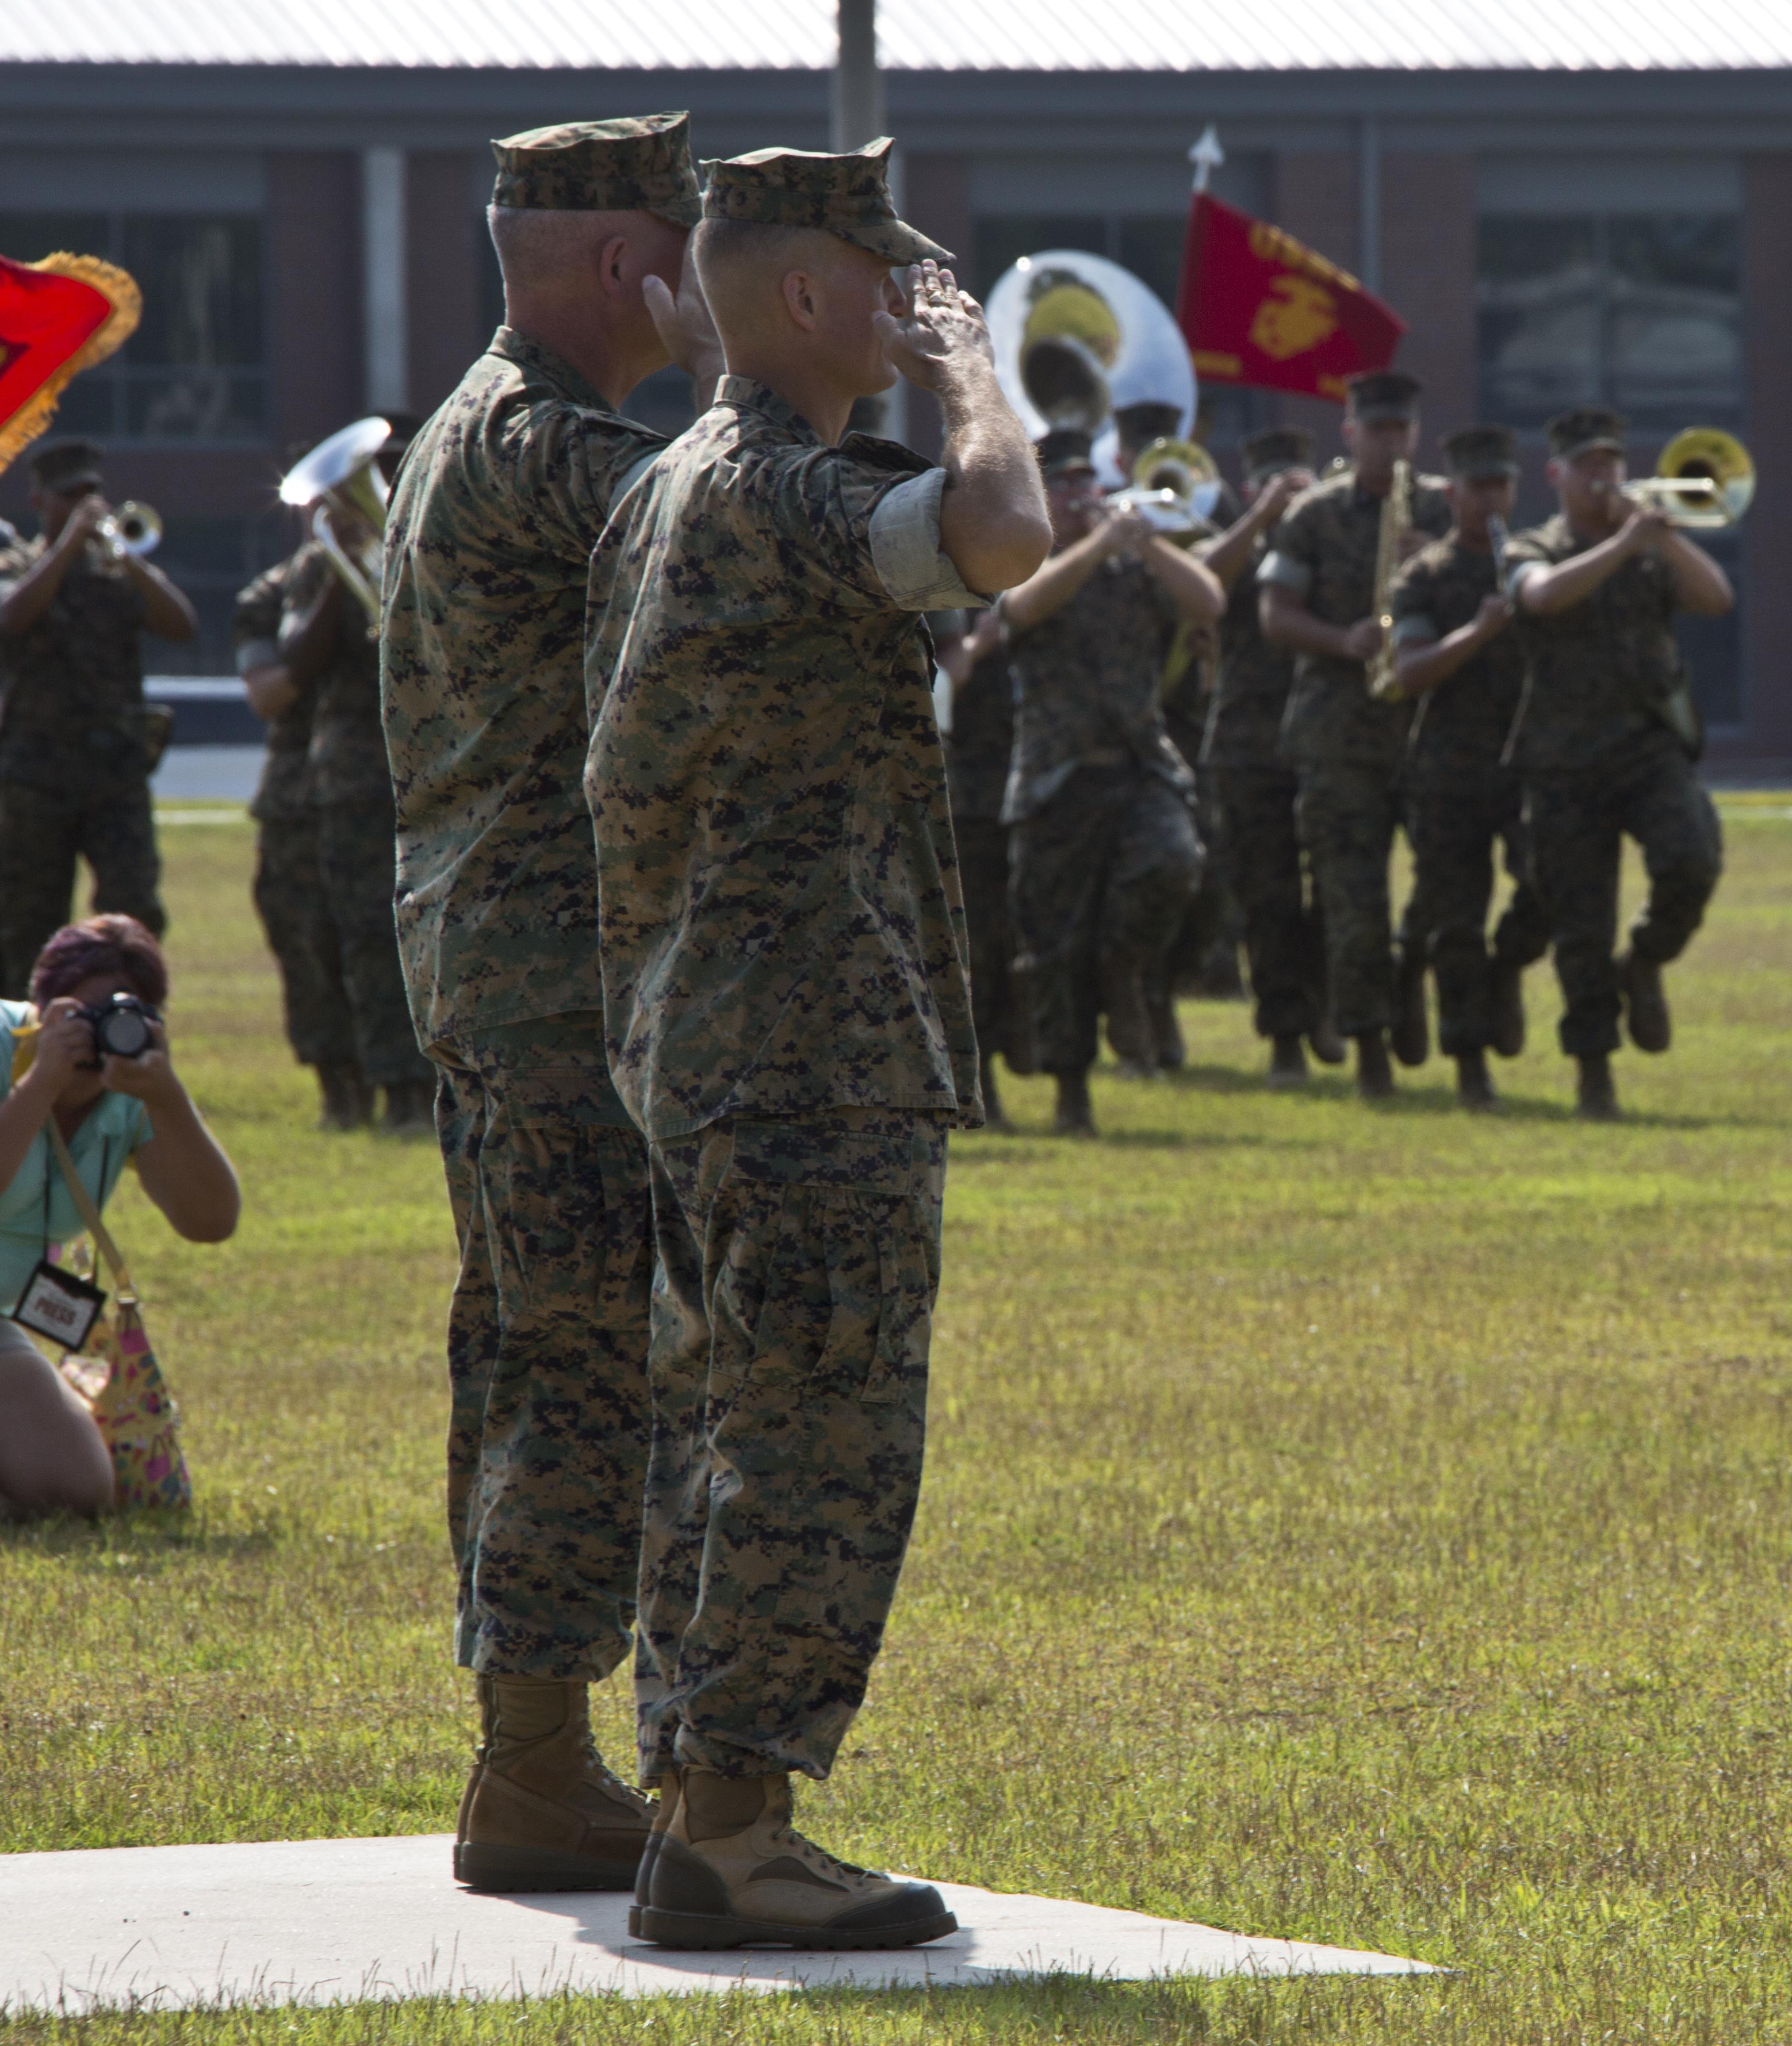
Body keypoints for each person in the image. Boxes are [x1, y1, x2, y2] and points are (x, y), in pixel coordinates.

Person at [584, 139, 1047, 1949]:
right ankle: (734, 1826)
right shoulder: (779, 484)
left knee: (722, 1418)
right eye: (894, 277)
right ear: (804, 293)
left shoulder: (670, 480)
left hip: (711, 1029)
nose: (922, 302)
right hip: (807, 1044)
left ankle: (701, 1803)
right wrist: (975, 378)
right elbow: (1003, 534)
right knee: (815, 1430)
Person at [379, 110, 719, 1898]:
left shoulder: (477, 423)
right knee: (577, 1353)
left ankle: (531, 1751)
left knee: (536, 1338)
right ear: (624, 262)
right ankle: (531, 1762)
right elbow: (739, 545)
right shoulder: (550, 444)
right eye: (692, 247)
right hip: (551, 969)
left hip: (503, 958)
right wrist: (749, 374)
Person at [992, 427, 1223, 1133]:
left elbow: (1210, 602)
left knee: (1174, 862)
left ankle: (1126, 971)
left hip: (1140, 768)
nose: (1077, 495)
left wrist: (1148, 544)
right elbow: (1021, 610)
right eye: (1060, 485)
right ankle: (1073, 1096)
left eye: (1083, 482)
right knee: (1056, 945)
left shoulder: (1135, 570)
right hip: (1056, 780)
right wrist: (1095, 547)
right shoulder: (1025, 562)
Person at [1507, 406, 1734, 1118]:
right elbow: (1542, 597)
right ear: (1557, 475)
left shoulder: (1651, 549)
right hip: (1564, 762)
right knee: (1580, 925)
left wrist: (1662, 540)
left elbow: (1717, 599)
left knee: (1692, 858)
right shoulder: (1531, 548)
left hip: (1647, 749)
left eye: (1611, 463)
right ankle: (1594, 1073)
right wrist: (1622, 544)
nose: (1602, 477)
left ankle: (1644, 960)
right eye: (1587, 466)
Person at [0, 917, 240, 1520]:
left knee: (77, 1485)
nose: (101, 1033)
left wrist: (166, 1096)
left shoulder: (129, 1092)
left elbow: (210, 1220)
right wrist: (40, 1083)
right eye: (83, 1014)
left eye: (121, 1015)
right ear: (42, 1006)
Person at [1259, 371, 1453, 1100]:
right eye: (1378, 431)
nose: (1392, 444)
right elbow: (1276, 615)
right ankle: (1370, 1047)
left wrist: (1436, 562)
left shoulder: (1442, 509)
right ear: (1351, 434)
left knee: (1445, 887)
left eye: (1402, 431)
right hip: (1337, 732)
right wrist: (1343, 640)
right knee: (1351, 898)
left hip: (1429, 733)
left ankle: (1408, 975)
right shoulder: (1312, 514)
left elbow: (1491, 605)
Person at [242, 448, 434, 1133]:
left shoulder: (433, 555)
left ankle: (417, 1085)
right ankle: (377, 1085)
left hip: (424, 777)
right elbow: (290, 671)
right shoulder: (314, 574)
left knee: (406, 939)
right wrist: (340, 570)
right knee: (351, 938)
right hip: (349, 785)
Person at [1384, 424, 1552, 1110]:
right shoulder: (1423, 576)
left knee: (1552, 881)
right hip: (1449, 770)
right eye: (1478, 488)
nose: (1491, 501)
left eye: (1500, 486)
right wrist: (1478, 633)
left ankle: (1506, 967)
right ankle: (1470, 1062)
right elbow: (1410, 672)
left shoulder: (1537, 565)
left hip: (1529, 765)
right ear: (1452, 494)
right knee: (1456, 920)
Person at [0, 439, 190, 995]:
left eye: (91, 493)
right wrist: (66, 547)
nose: (85, 504)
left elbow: (182, 626)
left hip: (115, 776)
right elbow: (11, 617)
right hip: (34, 777)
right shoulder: (14, 566)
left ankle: (131, 1025)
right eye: (70, 495)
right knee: (25, 922)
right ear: (39, 500)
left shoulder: (116, 571)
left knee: (134, 913)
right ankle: (29, 1040)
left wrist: (132, 563)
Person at [1200, 428, 1332, 1083]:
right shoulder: (1236, 545)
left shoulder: (1329, 541)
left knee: (1336, 885)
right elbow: (1203, 584)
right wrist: (1259, 519)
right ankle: (1285, 1036)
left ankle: (1326, 1001)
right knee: (1267, 895)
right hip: (1249, 746)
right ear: (1250, 489)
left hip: (1328, 739)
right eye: (1271, 485)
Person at [232, 551, 357, 1128]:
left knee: (378, 943)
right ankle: (339, 1086)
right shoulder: (270, 596)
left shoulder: (414, 563)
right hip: (297, 796)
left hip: (380, 791)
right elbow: (270, 694)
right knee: (305, 942)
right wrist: (337, 584)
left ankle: (407, 1087)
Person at [934, 600, 1025, 1121]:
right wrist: (977, 645)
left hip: (1022, 797)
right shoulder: (945, 594)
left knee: (1008, 945)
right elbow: (936, 687)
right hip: (964, 802)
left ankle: (1006, 1058)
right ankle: (976, 1081)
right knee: (976, 947)